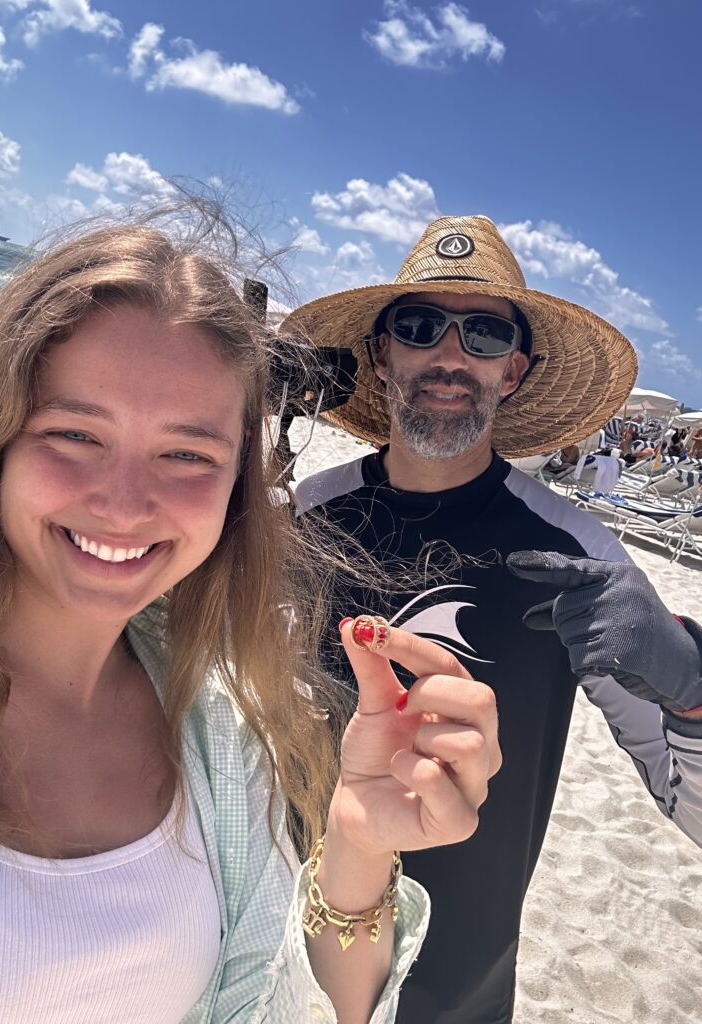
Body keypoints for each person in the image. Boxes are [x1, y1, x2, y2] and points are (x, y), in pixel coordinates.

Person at [0, 221, 502, 1023]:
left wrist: (358, 844)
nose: (124, 504)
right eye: (74, 433)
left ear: (238, 487)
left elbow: (280, 1008)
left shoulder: (222, 730)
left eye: (187, 454)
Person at [282, 215, 702, 1023]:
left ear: (512, 371)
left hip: (459, 982)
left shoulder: (576, 554)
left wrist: (692, 689)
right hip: (289, 949)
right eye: (419, 326)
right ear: (382, 354)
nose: (450, 355)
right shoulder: (307, 514)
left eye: (483, 334)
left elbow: (687, 806)